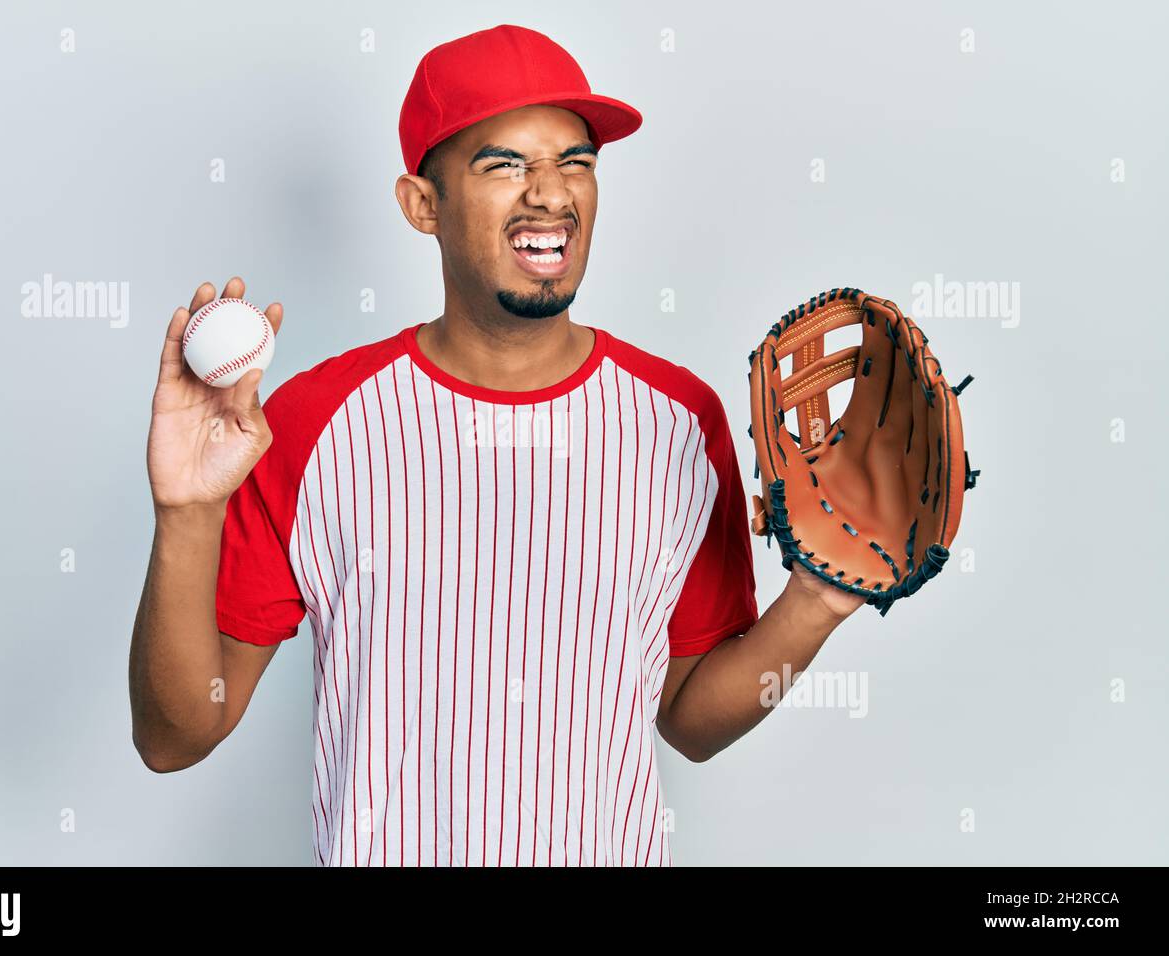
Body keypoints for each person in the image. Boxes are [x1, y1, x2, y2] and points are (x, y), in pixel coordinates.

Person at [129, 24, 864, 867]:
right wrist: (185, 513)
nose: (551, 194)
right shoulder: (311, 421)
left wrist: (818, 598)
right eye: (503, 163)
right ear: (422, 204)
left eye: (575, 161)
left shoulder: (679, 422)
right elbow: (175, 738)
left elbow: (690, 722)